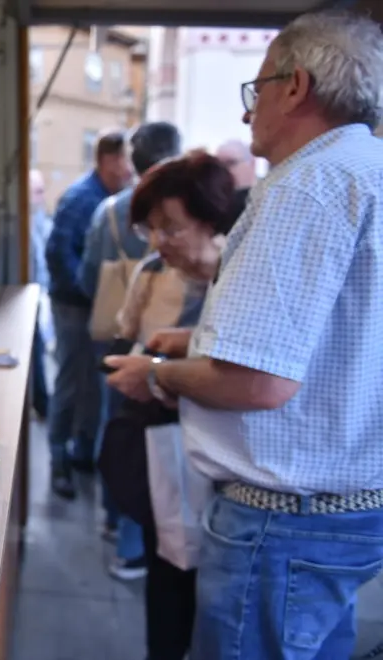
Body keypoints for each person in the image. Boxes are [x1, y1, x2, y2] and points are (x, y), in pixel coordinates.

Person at [105, 12, 383, 659]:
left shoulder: (308, 183)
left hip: (284, 518)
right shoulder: (368, 166)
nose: (246, 112)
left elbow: (257, 380)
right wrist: (199, 343)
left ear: (296, 86)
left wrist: (153, 375)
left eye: (256, 90)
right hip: (350, 506)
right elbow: (330, 338)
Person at [112, 152, 244, 660]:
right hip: (180, 457)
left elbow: (243, 377)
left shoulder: (240, 276)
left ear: (211, 219)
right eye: (152, 228)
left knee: (189, 591)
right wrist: (188, 341)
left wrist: (156, 374)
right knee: (169, 573)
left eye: (170, 227)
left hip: (213, 474)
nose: (157, 242)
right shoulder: (209, 277)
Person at [80, 121, 182, 579]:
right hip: (163, 347)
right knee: (147, 444)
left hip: (117, 336)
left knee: (114, 424)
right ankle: (131, 540)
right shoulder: (185, 205)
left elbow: (87, 273)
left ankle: (110, 514)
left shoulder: (108, 210)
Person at [45, 130, 131, 499]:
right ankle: (58, 458)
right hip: (74, 306)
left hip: (92, 304)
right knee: (69, 382)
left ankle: (81, 452)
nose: (130, 168)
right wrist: (91, 291)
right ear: (109, 161)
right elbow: (57, 253)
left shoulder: (106, 196)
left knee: (92, 386)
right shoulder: (83, 198)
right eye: (126, 159)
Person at [29, 169, 52, 419]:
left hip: (39, 292)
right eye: (37, 191)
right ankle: (42, 401)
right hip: (30, 293)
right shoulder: (25, 223)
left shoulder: (39, 219)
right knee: (37, 347)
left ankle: (42, 400)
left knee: (41, 346)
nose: (41, 196)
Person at [215, 138, 256, 209]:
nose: (224, 170)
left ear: (252, 163)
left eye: (230, 163)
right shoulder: (214, 203)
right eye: (219, 166)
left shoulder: (267, 196)